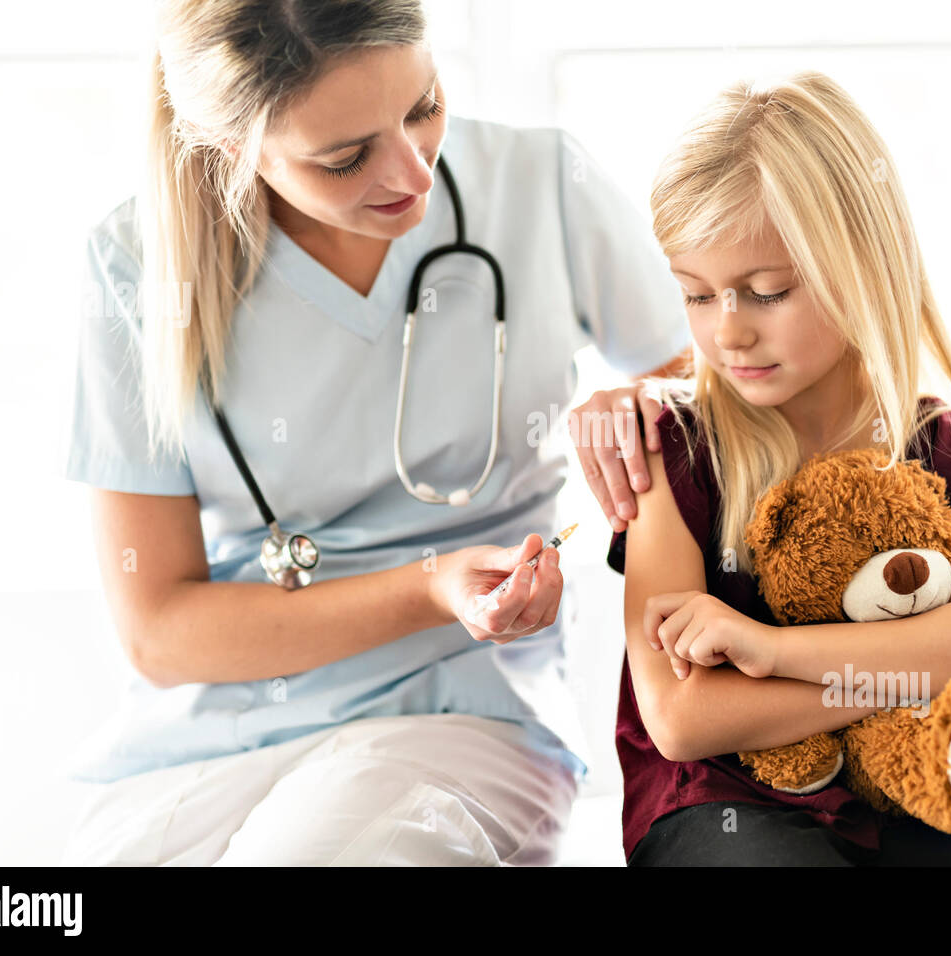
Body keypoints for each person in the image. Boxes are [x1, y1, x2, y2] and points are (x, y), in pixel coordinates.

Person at [59, 0, 690, 866]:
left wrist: (641, 412)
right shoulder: (133, 264)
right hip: (205, 742)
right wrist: (429, 586)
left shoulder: (541, 186)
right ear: (231, 147)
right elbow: (160, 628)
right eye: (346, 157)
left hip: (461, 707)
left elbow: (715, 399)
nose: (412, 174)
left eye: (425, 105)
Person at [602, 70, 951, 866]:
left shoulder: (935, 439)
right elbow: (685, 717)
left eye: (766, 292)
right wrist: (933, 649)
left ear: (861, 265)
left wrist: (770, 651)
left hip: (911, 786)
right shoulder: (673, 446)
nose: (727, 334)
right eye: (696, 294)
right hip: (722, 805)